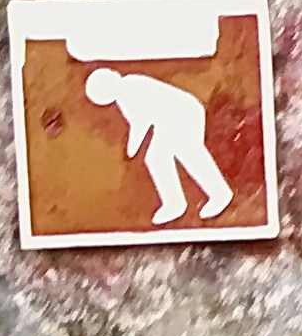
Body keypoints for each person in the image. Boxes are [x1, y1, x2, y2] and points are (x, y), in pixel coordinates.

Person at [84, 66, 234, 226]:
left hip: (182, 114)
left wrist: (132, 147)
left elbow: (141, 121)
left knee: (185, 154)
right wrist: (132, 145)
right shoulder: (125, 93)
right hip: (170, 120)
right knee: (161, 157)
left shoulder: (130, 87)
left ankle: (217, 195)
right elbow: (138, 120)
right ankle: (177, 203)